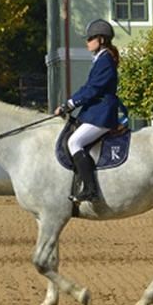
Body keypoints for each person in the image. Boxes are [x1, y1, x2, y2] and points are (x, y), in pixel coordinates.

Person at [54, 18, 121, 202]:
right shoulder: (101, 59)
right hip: (94, 112)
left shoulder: (105, 60)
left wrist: (70, 104)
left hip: (102, 114)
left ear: (101, 39)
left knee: (74, 142)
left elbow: (94, 89)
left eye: (90, 38)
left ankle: (91, 190)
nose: (87, 42)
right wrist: (67, 103)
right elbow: (87, 87)